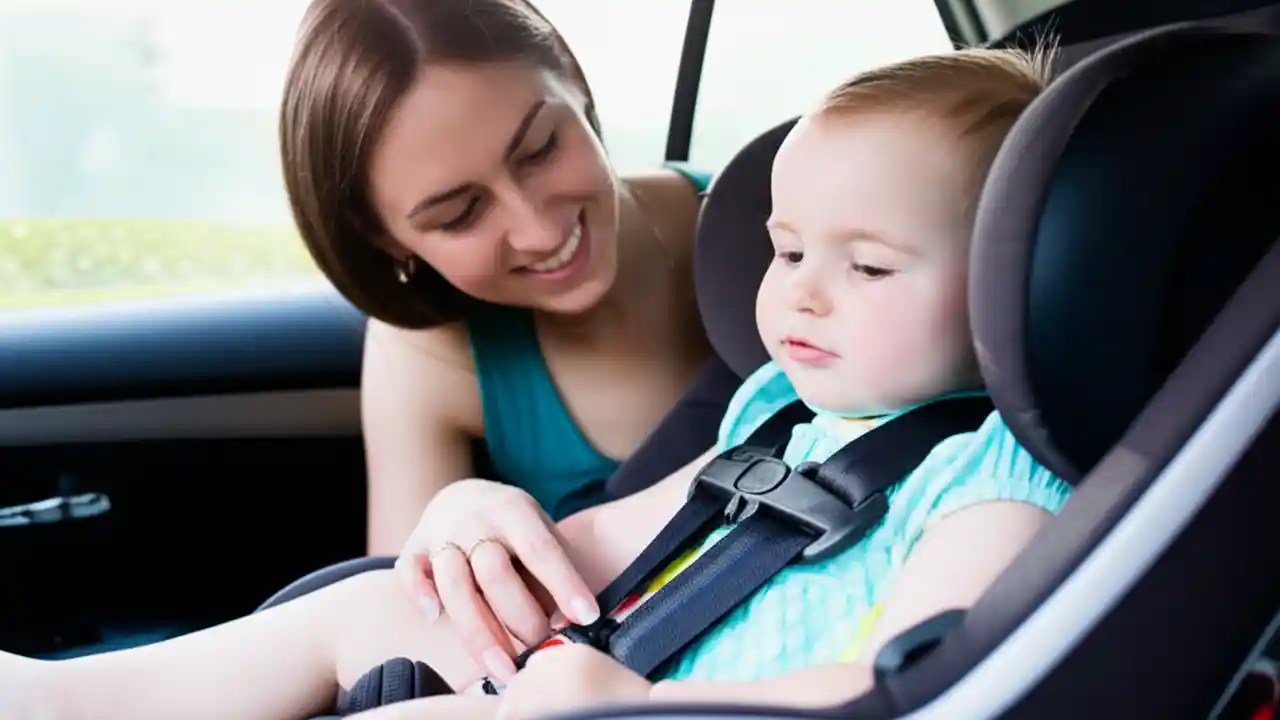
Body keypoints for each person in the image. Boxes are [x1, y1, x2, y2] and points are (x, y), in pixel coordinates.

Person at [1, 44, 1069, 720]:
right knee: (368, 608)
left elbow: (907, 690)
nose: (802, 297)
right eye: (784, 253)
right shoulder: (782, 409)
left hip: (679, 700)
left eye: (868, 266)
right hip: (625, 657)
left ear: (1008, 283)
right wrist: (478, 538)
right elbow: (621, 533)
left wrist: (623, 702)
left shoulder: (991, 489)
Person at [278, 0, 724, 557]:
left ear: (570, 76)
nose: (536, 230)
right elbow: (405, 622)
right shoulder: (432, 350)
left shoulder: (770, 225)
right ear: (385, 237)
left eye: (541, 149)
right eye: (461, 214)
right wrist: (452, 520)